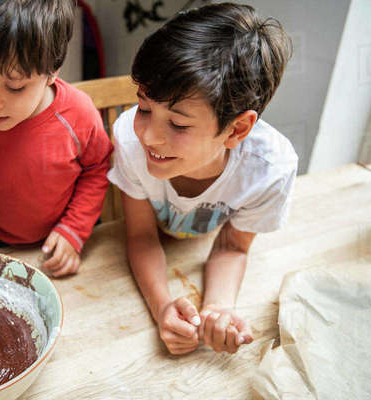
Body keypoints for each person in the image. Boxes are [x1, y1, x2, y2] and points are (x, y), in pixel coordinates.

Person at [107, 3, 297, 355]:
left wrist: (219, 309)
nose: (149, 136)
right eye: (144, 108)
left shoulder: (270, 169)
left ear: (237, 129)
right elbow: (140, 235)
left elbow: (232, 246)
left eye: (178, 125)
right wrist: (163, 306)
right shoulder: (130, 140)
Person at [0, 0, 113, 277]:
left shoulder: (78, 114)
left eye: (15, 87)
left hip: (72, 236)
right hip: (2, 240)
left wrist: (74, 229)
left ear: (53, 71)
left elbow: (98, 167)